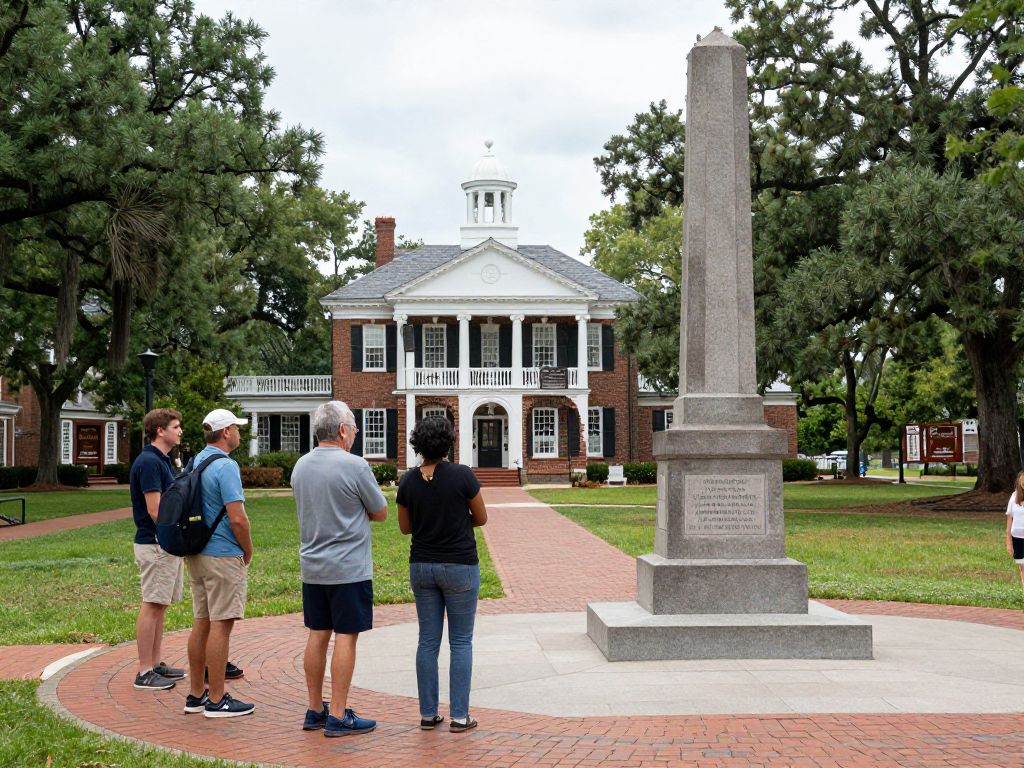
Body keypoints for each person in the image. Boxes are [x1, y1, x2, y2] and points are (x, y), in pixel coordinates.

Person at [291, 401, 388, 737]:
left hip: (312, 567)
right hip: (348, 569)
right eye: (355, 429)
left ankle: (314, 708)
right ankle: (337, 714)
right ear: (343, 431)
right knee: (346, 636)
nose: (356, 434)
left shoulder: (300, 466)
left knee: (318, 634)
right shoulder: (355, 466)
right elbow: (380, 511)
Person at [396, 415, 488, 733]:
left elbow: (405, 527)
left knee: (427, 641)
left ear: (418, 443)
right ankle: (460, 716)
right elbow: (482, 517)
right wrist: (458, 521)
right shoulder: (463, 476)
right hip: (460, 565)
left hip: (421, 566)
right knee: (461, 641)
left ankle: (427, 713)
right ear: (449, 442)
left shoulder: (407, 481)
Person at [183, 408, 255, 719]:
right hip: (223, 554)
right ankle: (217, 699)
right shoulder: (226, 466)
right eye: (236, 428)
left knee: (201, 622)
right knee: (221, 626)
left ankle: (196, 694)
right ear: (225, 432)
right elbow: (237, 518)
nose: (239, 433)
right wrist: (247, 550)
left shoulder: (195, 460)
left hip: (196, 552)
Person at [129, 408, 186, 690]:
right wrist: (178, 532)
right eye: (175, 427)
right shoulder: (149, 462)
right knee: (152, 604)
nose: (180, 431)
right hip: (154, 544)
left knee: (160, 605)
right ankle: (143, 671)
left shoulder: (162, 461)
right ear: (160, 430)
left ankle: (155, 663)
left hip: (164, 545)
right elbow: (155, 510)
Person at [1006, 470, 1024, 594]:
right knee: (1022, 568)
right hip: (1017, 537)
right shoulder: (1014, 496)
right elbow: (1009, 519)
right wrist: (1009, 542)